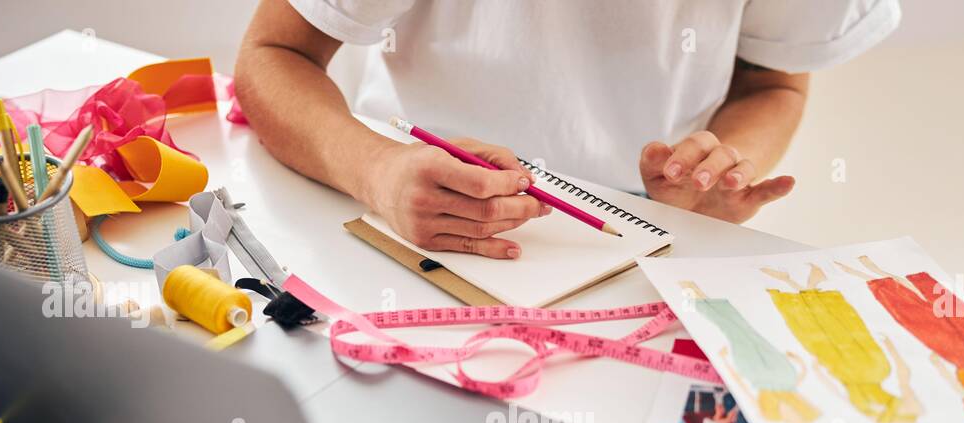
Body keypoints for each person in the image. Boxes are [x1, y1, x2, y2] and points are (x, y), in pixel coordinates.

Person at [236, 0, 901, 258]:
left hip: (651, 235)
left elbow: (771, 81)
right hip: (407, 214)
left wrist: (718, 171)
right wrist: (377, 171)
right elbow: (274, 55)